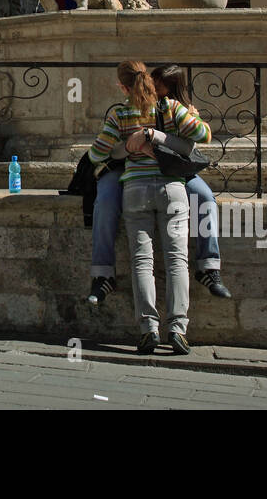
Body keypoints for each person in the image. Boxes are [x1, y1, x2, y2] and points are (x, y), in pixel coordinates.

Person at [88, 60, 211, 355]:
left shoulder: (119, 114)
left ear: (122, 86)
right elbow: (203, 135)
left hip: (135, 190)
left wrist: (127, 147)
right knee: (176, 260)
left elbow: (95, 154)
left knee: (142, 261)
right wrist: (192, 116)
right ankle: (178, 330)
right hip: (172, 189)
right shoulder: (169, 107)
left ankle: (149, 330)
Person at [151, 64, 232, 299]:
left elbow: (204, 135)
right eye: (153, 81)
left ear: (172, 86)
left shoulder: (179, 109)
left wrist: (193, 117)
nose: (154, 87)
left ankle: (209, 268)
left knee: (205, 198)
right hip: (149, 170)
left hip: (179, 171)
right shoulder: (146, 106)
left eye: (159, 83)